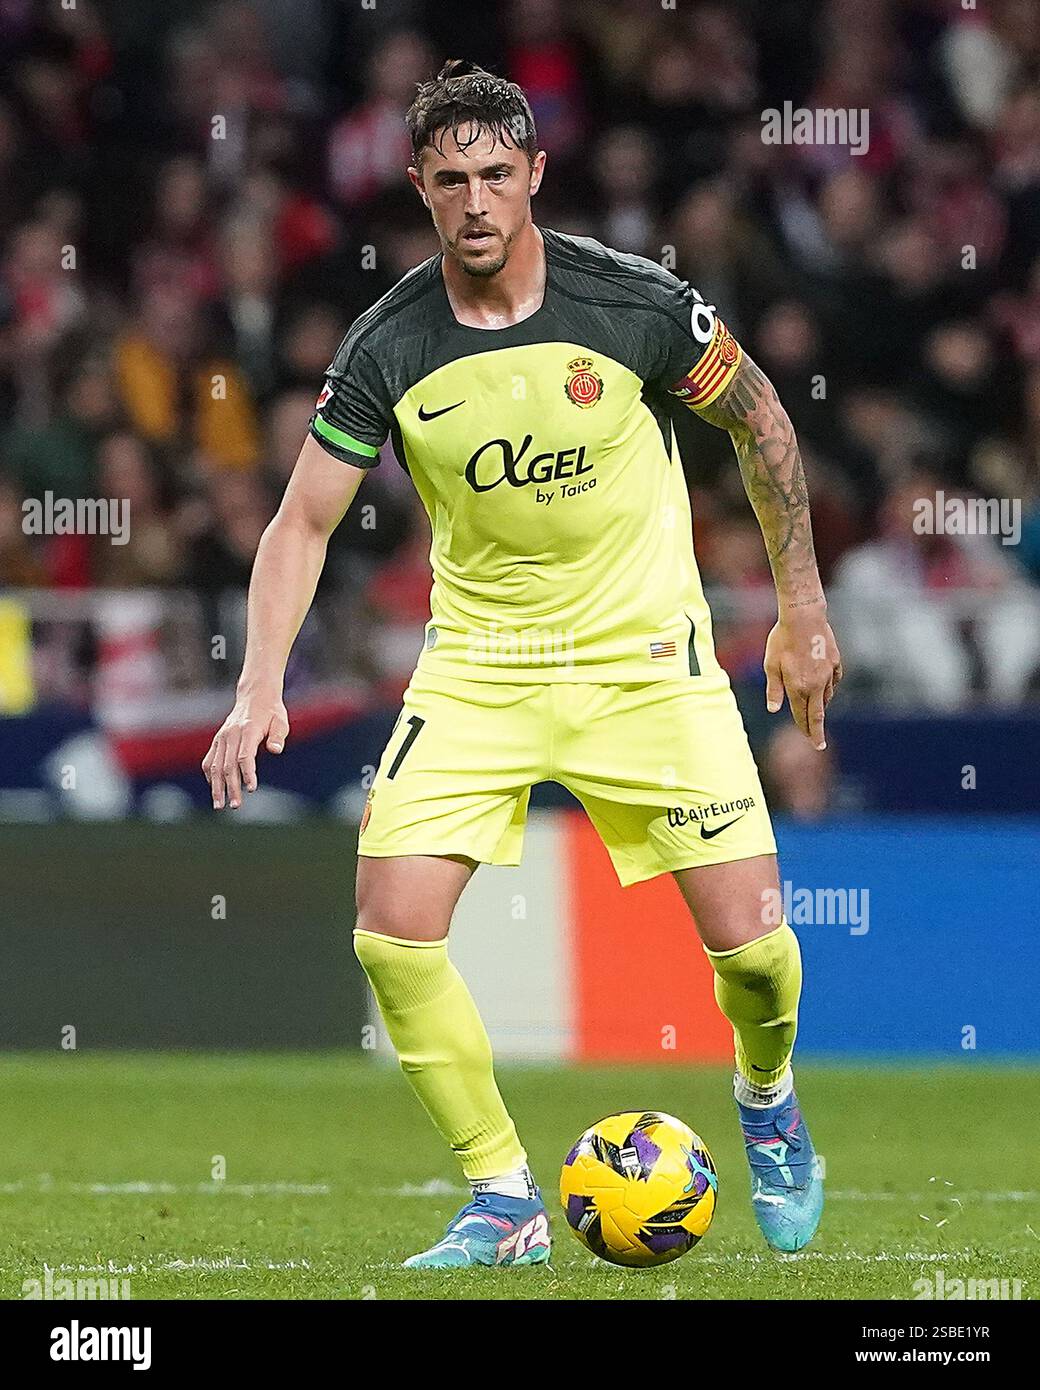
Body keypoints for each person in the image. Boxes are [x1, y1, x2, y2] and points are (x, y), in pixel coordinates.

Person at [202, 61, 843, 1269]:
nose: (477, 201)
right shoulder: (387, 343)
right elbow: (299, 522)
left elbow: (761, 417)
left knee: (754, 952)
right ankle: (501, 1199)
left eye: (498, 173)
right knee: (389, 934)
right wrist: (257, 684)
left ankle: (766, 1101)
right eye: (451, 180)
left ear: (536, 174)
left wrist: (800, 606)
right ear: (419, 189)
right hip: (480, 670)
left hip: (645, 662)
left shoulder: (634, 304)